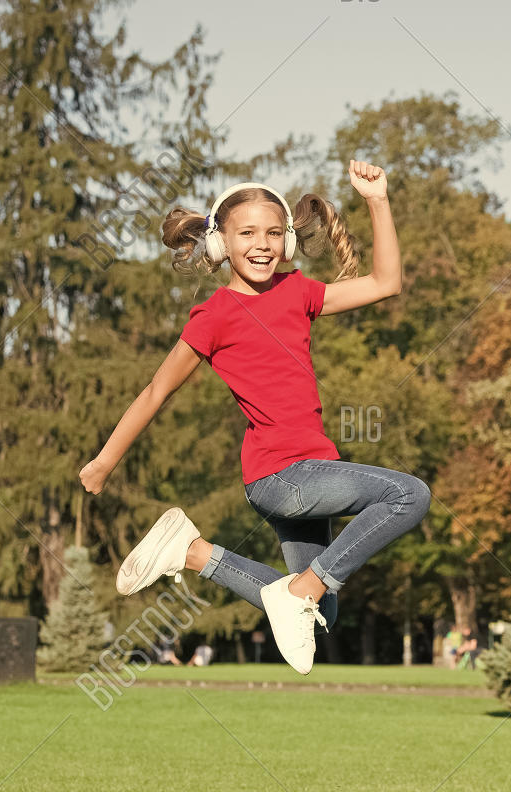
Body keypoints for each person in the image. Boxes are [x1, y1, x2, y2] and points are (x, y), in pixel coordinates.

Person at [79, 163, 430, 675]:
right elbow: (156, 390)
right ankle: (298, 590)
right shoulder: (214, 315)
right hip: (281, 476)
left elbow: (386, 282)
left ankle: (195, 553)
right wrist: (104, 462)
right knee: (409, 495)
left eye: (272, 233)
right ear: (220, 243)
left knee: (321, 607)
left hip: (311, 471)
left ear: (286, 240)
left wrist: (378, 200)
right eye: (246, 234)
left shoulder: (298, 292)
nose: (260, 244)